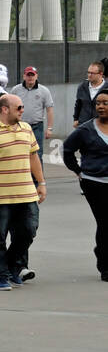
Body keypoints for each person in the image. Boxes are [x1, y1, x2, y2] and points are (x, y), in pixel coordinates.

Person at [0, 94, 45, 291]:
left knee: (29, 231)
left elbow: (34, 157)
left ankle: (10, 265)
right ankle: (1, 276)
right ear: (5, 109)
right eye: (19, 107)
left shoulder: (27, 128)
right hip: (0, 195)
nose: (23, 110)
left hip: (26, 193)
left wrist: (41, 182)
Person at [62, 89, 108, 280]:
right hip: (94, 183)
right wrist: (79, 172)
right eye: (98, 103)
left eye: (105, 103)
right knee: (105, 222)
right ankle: (105, 266)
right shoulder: (86, 129)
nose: (101, 106)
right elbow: (67, 150)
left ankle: (102, 253)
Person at [73, 61, 107, 129]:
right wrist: (76, 119)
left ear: (101, 73)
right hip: (84, 124)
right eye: (88, 72)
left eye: (92, 73)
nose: (89, 75)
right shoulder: (82, 86)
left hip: (102, 125)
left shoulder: (107, 88)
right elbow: (78, 104)